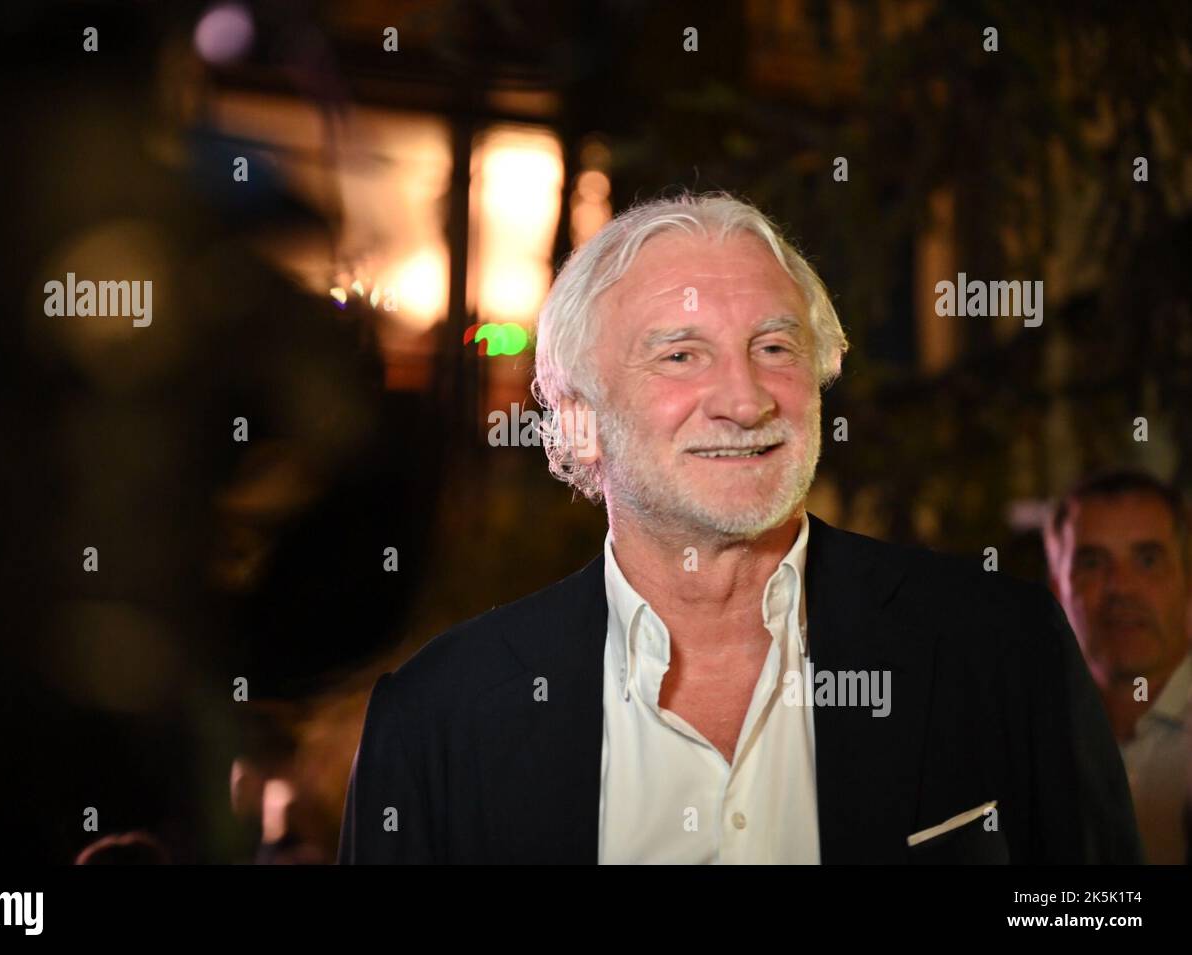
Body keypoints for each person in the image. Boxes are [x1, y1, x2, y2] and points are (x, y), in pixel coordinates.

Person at [338, 191, 1141, 863]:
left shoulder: (1001, 647)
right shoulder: (438, 719)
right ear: (580, 420)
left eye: (774, 346)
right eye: (681, 355)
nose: (747, 399)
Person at [1045, 470, 1192, 864]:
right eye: (1092, 562)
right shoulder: (1029, 736)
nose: (1120, 587)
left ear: (1188, 579)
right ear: (1058, 587)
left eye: (1147, 559)